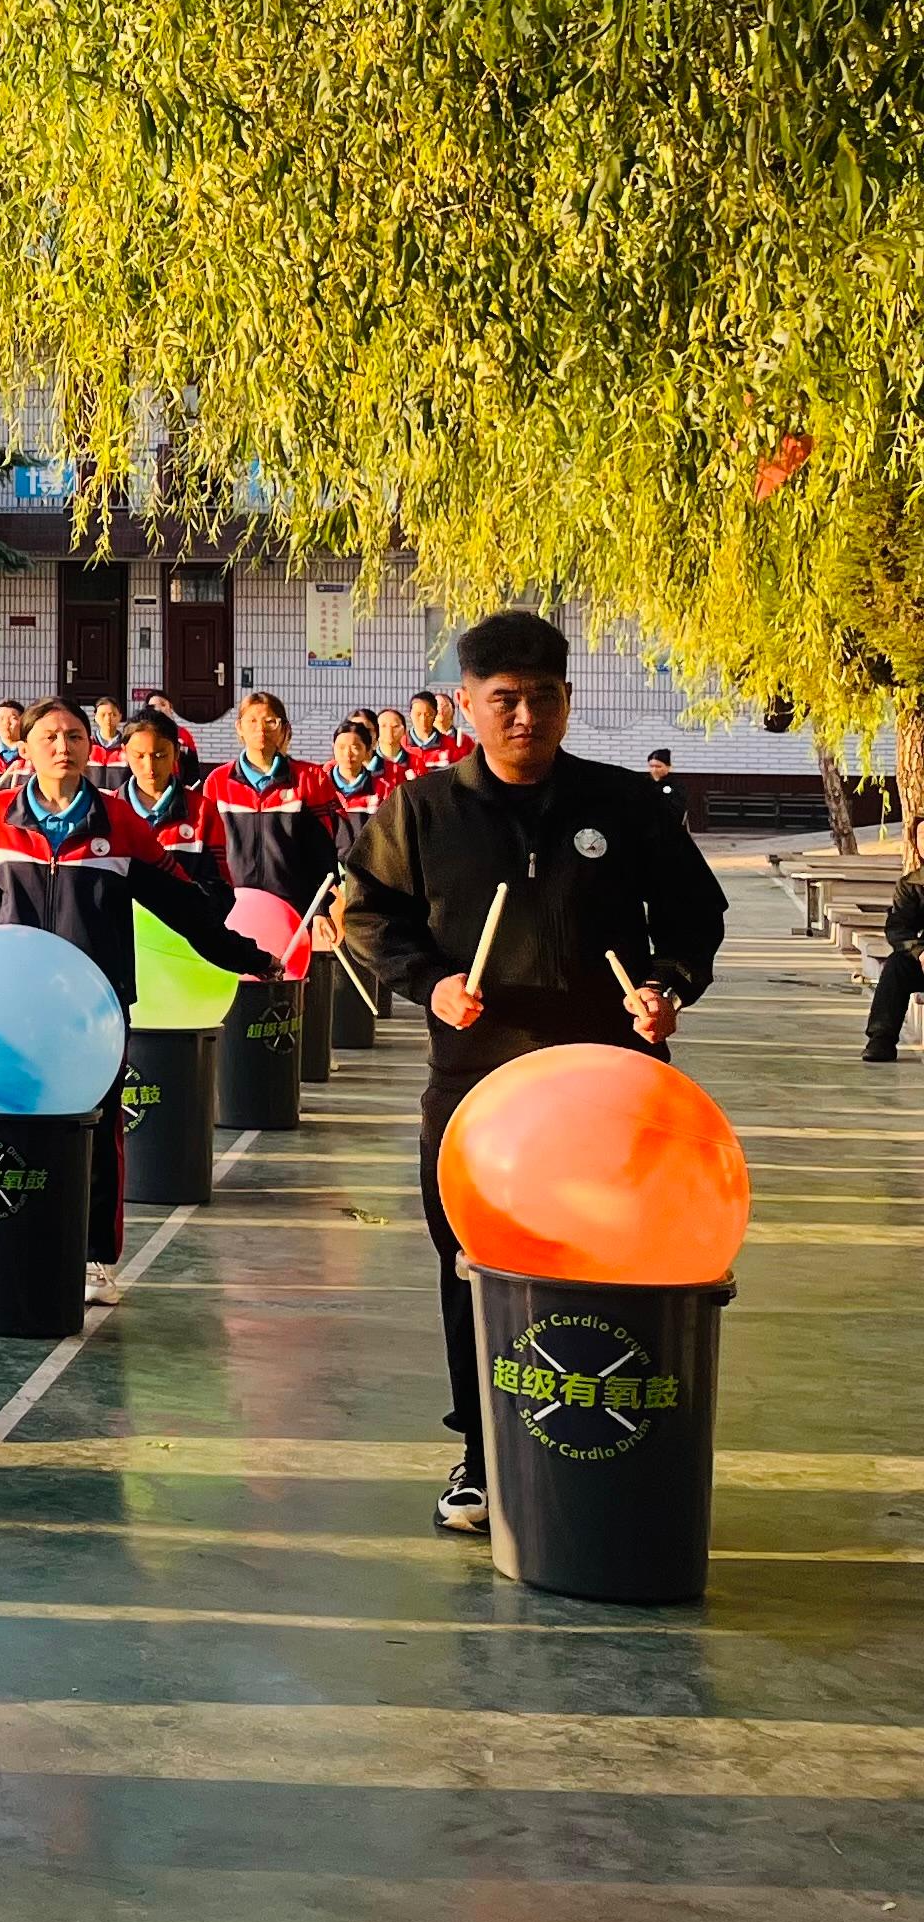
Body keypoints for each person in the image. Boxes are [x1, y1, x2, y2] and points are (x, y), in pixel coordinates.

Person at [339, 608, 725, 1538]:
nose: (524, 715)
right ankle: (484, 1455)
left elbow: (695, 915)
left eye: (542, 697)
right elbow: (366, 912)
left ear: (567, 701)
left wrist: (667, 985)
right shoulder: (423, 810)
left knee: (615, 1264)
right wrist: (429, 984)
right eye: (504, 698)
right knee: (476, 1270)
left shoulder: (626, 804)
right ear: (467, 703)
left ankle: (604, 1444)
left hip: (612, 1090)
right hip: (479, 1091)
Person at [0, 698, 271, 1309]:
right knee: (10, 1123)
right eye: (50, 737)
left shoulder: (120, 821)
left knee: (98, 1128)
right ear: (26, 748)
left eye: (75, 736)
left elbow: (183, 907)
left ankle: (95, 1258)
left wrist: (247, 955)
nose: (63, 747)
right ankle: (14, 1240)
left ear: (90, 746)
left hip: (94, 1012)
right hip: (7, 1012)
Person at [203, 691, 347, 915]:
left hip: (294, 909)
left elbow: (323, 852)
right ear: (239, 727)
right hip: (232, 908)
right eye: (252, 721)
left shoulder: (309, 779)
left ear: (284, 728)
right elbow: (209, 853)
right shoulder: (218, 782)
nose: (261, 729)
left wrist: (320, 909)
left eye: (270, 721)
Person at [117, 709, 225, 886]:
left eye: (160, 755)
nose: (150, 766)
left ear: (176, 752)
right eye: (139, 756)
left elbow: (219, 885)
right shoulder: (108, 810)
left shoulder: (202, 811)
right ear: (124, 752)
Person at [867, 861, 924, 1067]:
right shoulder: (912, 885)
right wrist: (920, 952)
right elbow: (898, 929)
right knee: (896, 965)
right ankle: (881, 1039)